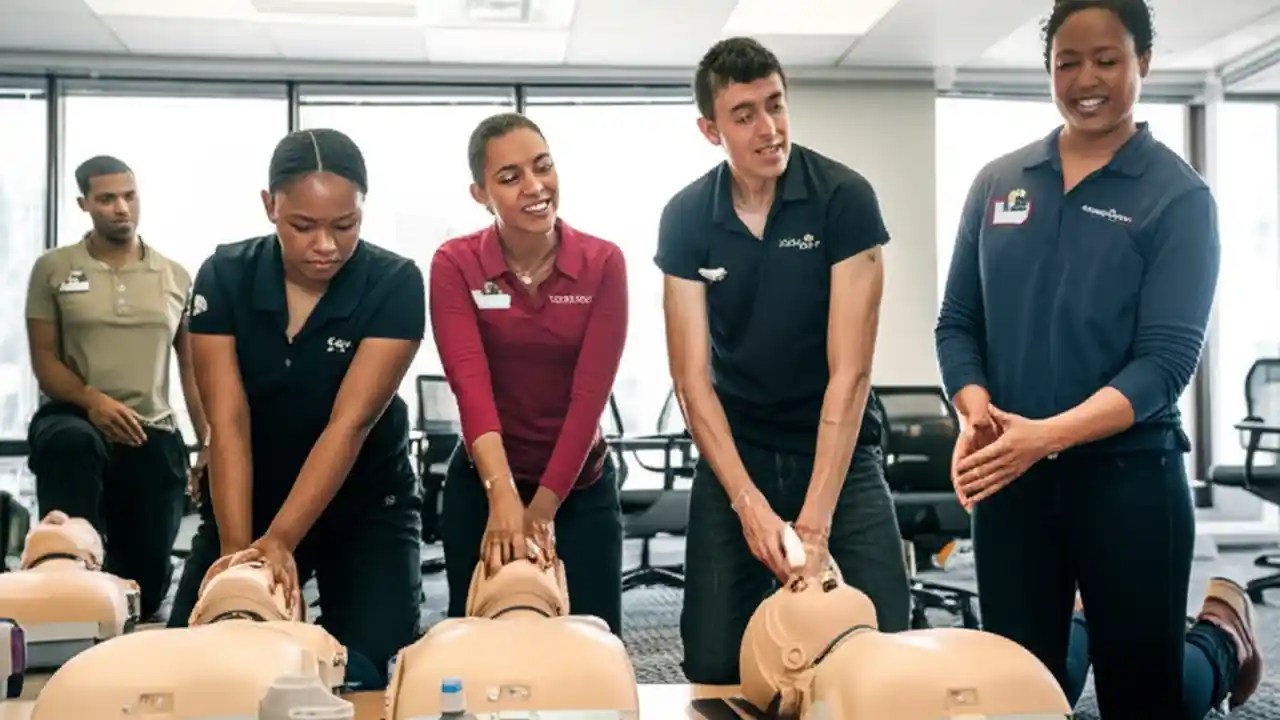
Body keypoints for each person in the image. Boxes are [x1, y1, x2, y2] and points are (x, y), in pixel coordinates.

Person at [935, 1, 1261, 717]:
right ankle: (1085, 620)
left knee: (1145, 698)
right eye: (1067, 62)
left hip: (1131, 484)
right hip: (1013, 487)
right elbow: (958, 323)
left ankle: (1218, 639)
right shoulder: (999, 182)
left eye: (1107, 60)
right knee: (1020, 691)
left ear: (1142, 61)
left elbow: (1164, 364)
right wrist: (974, 408)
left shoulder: (1177, 196)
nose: (1086, 79)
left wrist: (1041, 438)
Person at [656, 37, 911, 685]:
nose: (769, 129)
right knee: (714, 660)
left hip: (837, 453)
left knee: (885, 647)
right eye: (745, 115)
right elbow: (691, 381)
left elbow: (849, 375)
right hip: (737, 453)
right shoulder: (687, 217)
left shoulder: (843, 200)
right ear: (710, 129)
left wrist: (815, 520)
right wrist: (747, 502)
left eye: (776, 105)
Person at [166, 128, 425, 690]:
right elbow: (227, 421)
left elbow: (348, 425)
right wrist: (240, 557)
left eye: (345, 225)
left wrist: (281, 542)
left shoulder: (395, 283)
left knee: (373, 670)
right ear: (269, 207)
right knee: (195, 654)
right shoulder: (225, 274)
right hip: (248, 497)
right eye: (302, 226)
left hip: (363, 504)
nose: (325, 245)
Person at [430, 112, 627, 635]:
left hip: (580, 487)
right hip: (484, 483)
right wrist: (503, 496)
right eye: (510, 177)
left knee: (592, 649)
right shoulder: (456, 264)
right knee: (479, 642)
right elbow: (470, 388)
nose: (535, 187)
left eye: (543, 167)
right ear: (480, 193)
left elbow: (589, 398)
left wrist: (540, 511)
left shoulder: (603, 263)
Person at [24, 155, 205, 622]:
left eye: (129, 196)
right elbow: (45, 359)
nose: (121, 208)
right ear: (84, 203)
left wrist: (208, 442)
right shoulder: (53, 269)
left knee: (142, 590)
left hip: (150, 430)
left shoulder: (174, 275)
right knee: (73, 442)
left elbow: (192, 368)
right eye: (107, 199)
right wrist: (91, 400)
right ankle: (64, 583)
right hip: (74, 417)